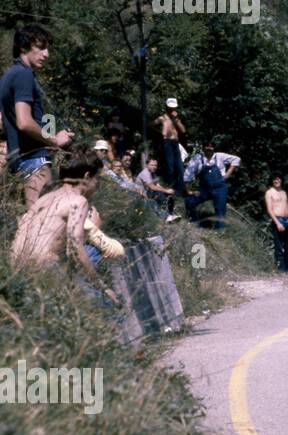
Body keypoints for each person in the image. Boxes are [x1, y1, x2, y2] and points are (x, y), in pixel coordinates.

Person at [10, 148, 119, 305]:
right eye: (97, 179)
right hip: (45, 271)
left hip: (18, 270)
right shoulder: (78, 201)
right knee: (106, 303)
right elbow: (74, 248)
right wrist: (102, 287)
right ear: (87, 176)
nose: (97, 185)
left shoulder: (44, 198)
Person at [1, 24, 75, 208]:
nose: (46, 54)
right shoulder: (24, 75)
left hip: (19, 159)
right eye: (41, 47)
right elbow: (24, 122)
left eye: (47, 48)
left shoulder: (9, 76)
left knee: (31, 221)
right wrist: (55, 140)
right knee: (41, 222)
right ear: (23, 47)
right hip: (35, 160)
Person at [183, 142, 240, 229]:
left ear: (214, 149)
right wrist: (189, 191)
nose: (209, 151)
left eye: (211, 149)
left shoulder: (219, 156)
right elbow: (187, 174)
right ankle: (194, 223)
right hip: (205, 188)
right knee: (189, 201)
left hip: (220, 188)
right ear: (204, 149)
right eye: (207, 149)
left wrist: (228, 173)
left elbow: (236, 159)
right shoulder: (197, 158)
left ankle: (219, 232)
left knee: (220, 210)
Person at [152, 97, 186, 212]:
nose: (172, 109)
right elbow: (151, 124)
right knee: (170, 166)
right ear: (167, 107)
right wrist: (160, 133)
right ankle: (170, 188)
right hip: (167, 142)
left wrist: (177, 120)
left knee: (180, 167)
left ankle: (180, 190)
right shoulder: (162, 118)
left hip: (175, 143)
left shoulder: (176, 118)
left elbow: (183, 130)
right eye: (170, 108)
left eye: (173, 108)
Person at [264, 174, 288, 273]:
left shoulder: (284, 193)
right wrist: (277, 223)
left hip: (287, 220)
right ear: (272, 181)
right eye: (274, 179)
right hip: (278, 220)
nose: (276, 181)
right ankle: (281, 270)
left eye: (278, 179)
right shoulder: (269, 193)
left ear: (281, 180)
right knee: (279, 246)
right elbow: (269, 209)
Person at [136, 155, 180, 220]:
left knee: (167, 194)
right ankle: (167, 216)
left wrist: (167, 191)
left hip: (149, 192)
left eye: (155, 165)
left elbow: (157, 185)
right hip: (142, 194)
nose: (154, 167)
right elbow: (152, 187)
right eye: (152, 165)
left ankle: (171, 213)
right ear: (147, 165)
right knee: (159, 193)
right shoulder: (145, 173)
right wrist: (165, 191)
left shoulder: (152, 173)